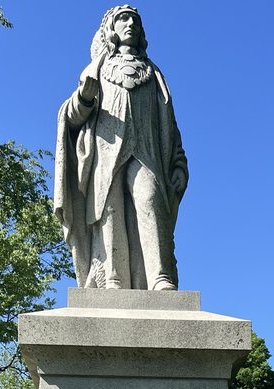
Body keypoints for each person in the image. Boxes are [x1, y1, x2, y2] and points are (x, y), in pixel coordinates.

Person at [54, 5, 188, 290]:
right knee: (109, 210)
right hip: (106, 153)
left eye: (135, 20)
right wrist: (85, 97)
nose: (130, 24)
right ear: (110, 28)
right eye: (123, 18)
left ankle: (160, 276)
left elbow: (171, 126)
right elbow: (72, 117)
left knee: (149, 198)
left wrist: (177, 164)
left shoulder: (154, 74)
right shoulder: (98, 67)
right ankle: (111, 278)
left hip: (147, 152)